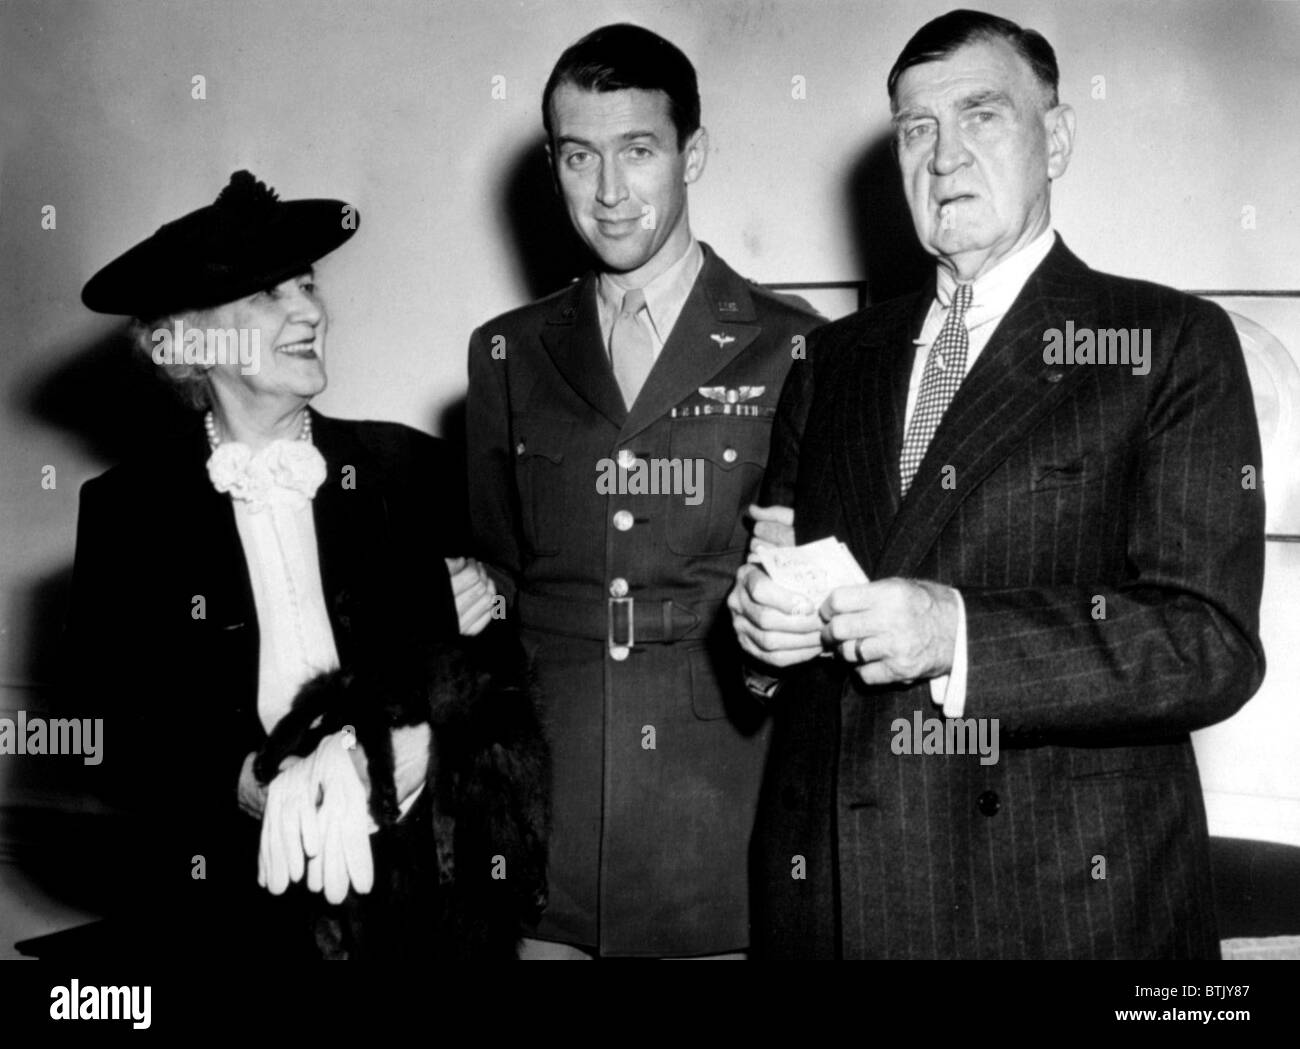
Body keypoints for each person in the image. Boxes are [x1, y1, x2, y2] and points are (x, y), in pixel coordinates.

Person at [730, 9, 1265, 959]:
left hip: (1055, 905)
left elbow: (1209, 642)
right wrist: (764, 641)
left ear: (1054, 138)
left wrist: (957, 634)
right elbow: (789, 586)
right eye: (916, 129)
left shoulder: (1165, 343)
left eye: (981, 115)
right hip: (838, 897)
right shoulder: (830, 357)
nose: (942, 159)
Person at [65, 171, 547, 961]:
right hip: (228, 916)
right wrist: (242, 780)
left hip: (414, 909)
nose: (309, 312)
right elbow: (109, 737)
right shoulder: (129, 510)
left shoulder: (409, 470)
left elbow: (505, 679)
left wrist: (465, 645)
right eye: (267, 295)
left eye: (308, 285)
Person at [466, 24, 821, 958]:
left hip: (718, 804)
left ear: (690, 152)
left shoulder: (794, 346)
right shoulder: (505, 351)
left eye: (639, 151)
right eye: (580, 157)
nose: (610, 193)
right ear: (553, 165)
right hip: (546, 793)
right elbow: (501, 571)